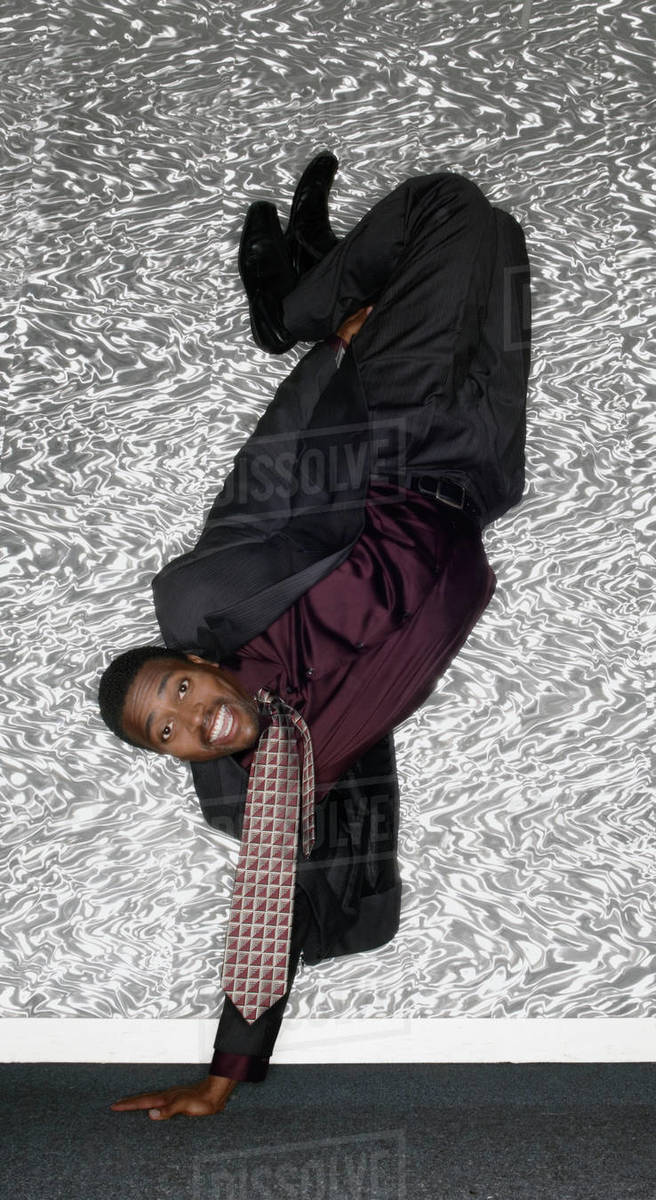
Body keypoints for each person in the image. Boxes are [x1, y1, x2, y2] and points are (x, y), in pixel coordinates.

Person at [100, 153, 532, 1120]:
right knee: (500, 249)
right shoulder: (277, 781)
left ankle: (292, 310)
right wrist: (223, 1080)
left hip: (389, 436)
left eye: (175, 693)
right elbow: (263, 910)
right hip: (475, 472)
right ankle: (320, 261)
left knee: (448, 208)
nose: (190, 722)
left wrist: (331, 355)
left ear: (196, 665)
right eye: (162, 733)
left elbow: (261, 478)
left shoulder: (216, 597)